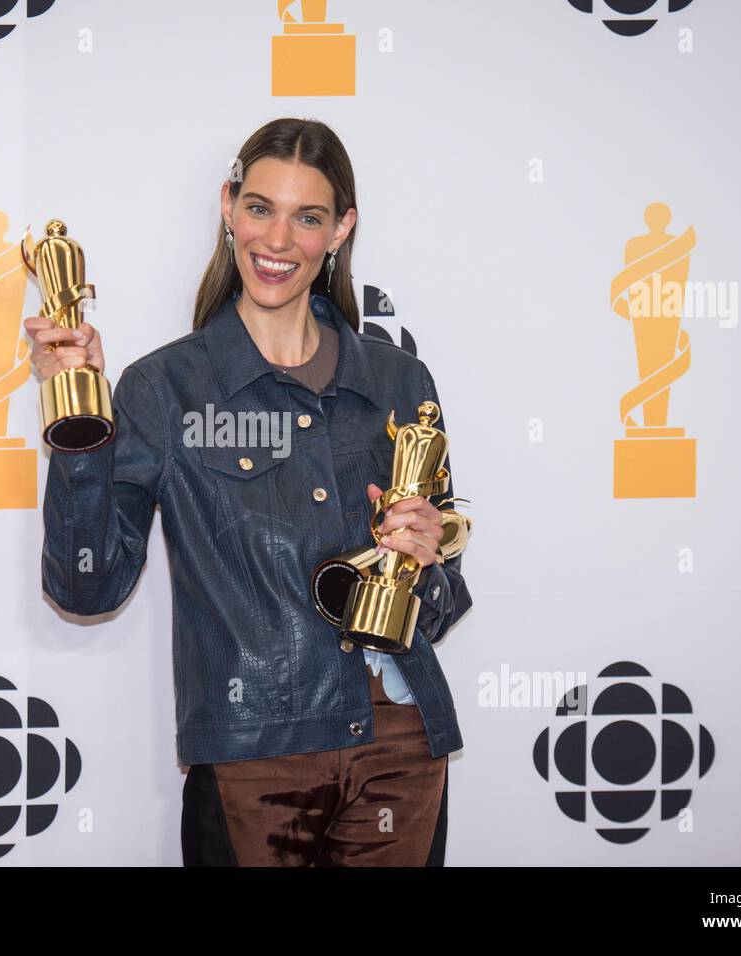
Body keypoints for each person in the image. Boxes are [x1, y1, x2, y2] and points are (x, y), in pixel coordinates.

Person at [27, 118, 473, 866]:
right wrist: (82, 424)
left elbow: (449, 598)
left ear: (340, 230)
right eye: (261, 207)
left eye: (309, 217)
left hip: (402, 745)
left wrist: (428, 562)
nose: (278, 239)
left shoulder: (399, 381)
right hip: (254, 755)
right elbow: (87, 588)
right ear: (229, 207)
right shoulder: (166, 389)